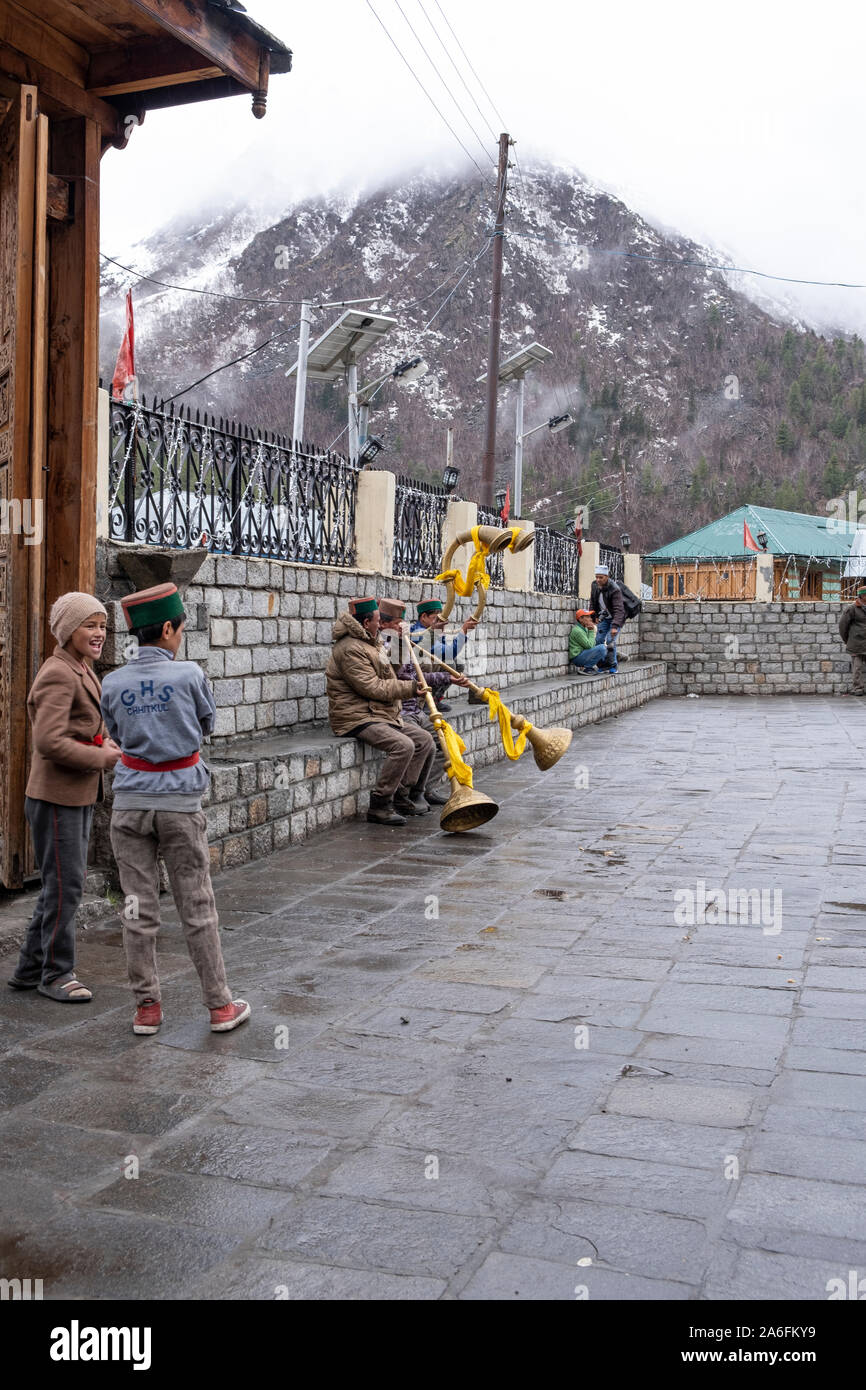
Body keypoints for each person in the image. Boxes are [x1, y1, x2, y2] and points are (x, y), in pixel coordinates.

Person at [100, 582, 249, 1035]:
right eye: (180, 628)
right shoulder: (189, 675)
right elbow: (206, 725)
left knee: (135, 907)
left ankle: (147, 1008)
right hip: (180, 803)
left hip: (128, 805)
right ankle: (220, 1006)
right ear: (167, 628)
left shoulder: (112, 681)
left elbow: (116, 735)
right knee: (196, 903)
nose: (180, 635)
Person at [7, 594, 122, 1001]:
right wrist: (101, 757)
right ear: (67, 630)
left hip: (76, 794)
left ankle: (27, 970)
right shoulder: (58, 673)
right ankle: (56, 974)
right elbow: (49, 741)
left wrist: (102, 739)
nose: (98, 633)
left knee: (61, 885)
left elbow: (81, 726)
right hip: (56, 798)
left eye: (102, 625)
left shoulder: (82, 670)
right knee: (67, 887)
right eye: (89, 625)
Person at [326, 596, 435, 825]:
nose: (380, 623)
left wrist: (399, 642)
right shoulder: (350, 649)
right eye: (377, 620)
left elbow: (391, 670)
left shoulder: (370, 642)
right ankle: (380, 803)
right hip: (356, 716)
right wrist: (410, 688)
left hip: (377, 713)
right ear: (366, 623)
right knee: (403, 745)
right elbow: (372, 687)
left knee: (425, 741)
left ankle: (402, 795)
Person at [378, 597, 469, 807]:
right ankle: (404, 794)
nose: (401, 626)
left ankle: (424, 789)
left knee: (445, 740)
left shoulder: (406, 640)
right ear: (382, 625)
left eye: (401, 622)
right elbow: (393, 678)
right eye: (395, 623)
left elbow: (416, 676)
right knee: (423, 741)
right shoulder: (384, 647)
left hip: (414, 708)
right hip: (398, 711)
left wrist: (448, 678)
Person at [411, 600, 478, 708]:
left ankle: (435, 699)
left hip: (428, 670)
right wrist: (464, 631)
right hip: (417, 673)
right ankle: (426, 702)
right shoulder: (419, 632)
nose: (439, 623)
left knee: (458, 664)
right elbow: (448, 654)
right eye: (435, 619)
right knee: (449, 665)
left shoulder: (433, 630)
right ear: (423, 617)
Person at [589, 564, 626, 673]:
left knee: (610, 641)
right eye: (597, 577)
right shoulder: (594, 585)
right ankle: (603, 664)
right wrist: (593, 616)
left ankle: (613, 665)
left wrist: (615, 626)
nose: (598, 580)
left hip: (615, 618)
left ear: (607, 577)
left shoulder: (615, 589)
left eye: (601, 577)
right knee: (598, 640)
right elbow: (593, 602)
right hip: (604, 617)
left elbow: (619, 610)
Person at [839, 585, 866, 696]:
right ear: (863, 595)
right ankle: (858, 688)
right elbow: (843, 626)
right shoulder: (852, 609)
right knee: (857, 667)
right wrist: (848, 640)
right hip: (856, 643)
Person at [568, 609, 610, 674]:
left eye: (590, 616)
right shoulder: (577, 631)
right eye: (587, 617)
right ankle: (587, 668)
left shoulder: (585, 628)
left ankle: (605, 664)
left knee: (603, 646)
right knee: (602, 648)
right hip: (577, 658)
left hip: (583, 654)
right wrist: (591, 631)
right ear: (580, 619)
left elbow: (593, 643)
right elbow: (589, 646)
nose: (590, 619)